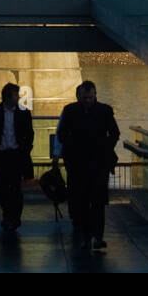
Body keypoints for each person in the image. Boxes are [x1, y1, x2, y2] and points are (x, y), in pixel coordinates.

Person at [54, 80, 120, 251]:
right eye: (85, 97)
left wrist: (102, 147)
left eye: (90, 97)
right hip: (83, 164)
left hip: (93, 163)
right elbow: (114, 134)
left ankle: (95, 237)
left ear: (95, 95)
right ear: (81, 96)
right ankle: (89, 236)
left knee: (96, 203)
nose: (88, 101)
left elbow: (115, 132)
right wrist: (105, 146)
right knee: (83, 203)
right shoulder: (96, 111)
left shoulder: (76, 111)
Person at [0, 82, 34, 231]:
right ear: (7, 97)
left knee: (16, 189)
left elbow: (29, 134)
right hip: (0, 157)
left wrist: (25, 150)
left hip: (16, 156)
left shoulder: (23, 112)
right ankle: (7, 215)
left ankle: (15, 218)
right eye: (16, 95)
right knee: (3, 189)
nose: (18, 98)